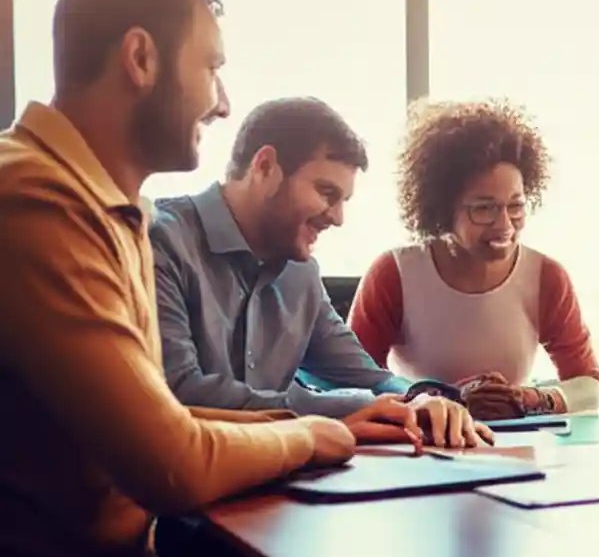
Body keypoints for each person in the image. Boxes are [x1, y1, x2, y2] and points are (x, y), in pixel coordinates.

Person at [0, 0, 468, 557]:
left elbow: (163, 417)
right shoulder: (35, 200)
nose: (221, 103)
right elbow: (173, 460)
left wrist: (357, 411)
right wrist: (316, 433)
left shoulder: (101, 205)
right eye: (212, 68)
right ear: (141, 58)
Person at [150, 96, 491, 447]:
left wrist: (420, 399)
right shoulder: (160, 240)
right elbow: (180, 392)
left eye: (343, 200)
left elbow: (366, 377)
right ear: (265, 166)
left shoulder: (302, 274)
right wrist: (342, 411)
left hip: (278, 484)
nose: (337, 218)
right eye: (327, 192)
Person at [348, 98, 599, 420]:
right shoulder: (394, 274)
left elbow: (589, 386)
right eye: (483, 208)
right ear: (443, 209)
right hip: (422, 446)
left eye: (515, 206)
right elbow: (349, 383)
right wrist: (443, 400)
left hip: (516, 445)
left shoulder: (546, 276)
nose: (505, 225)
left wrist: (528, 398)